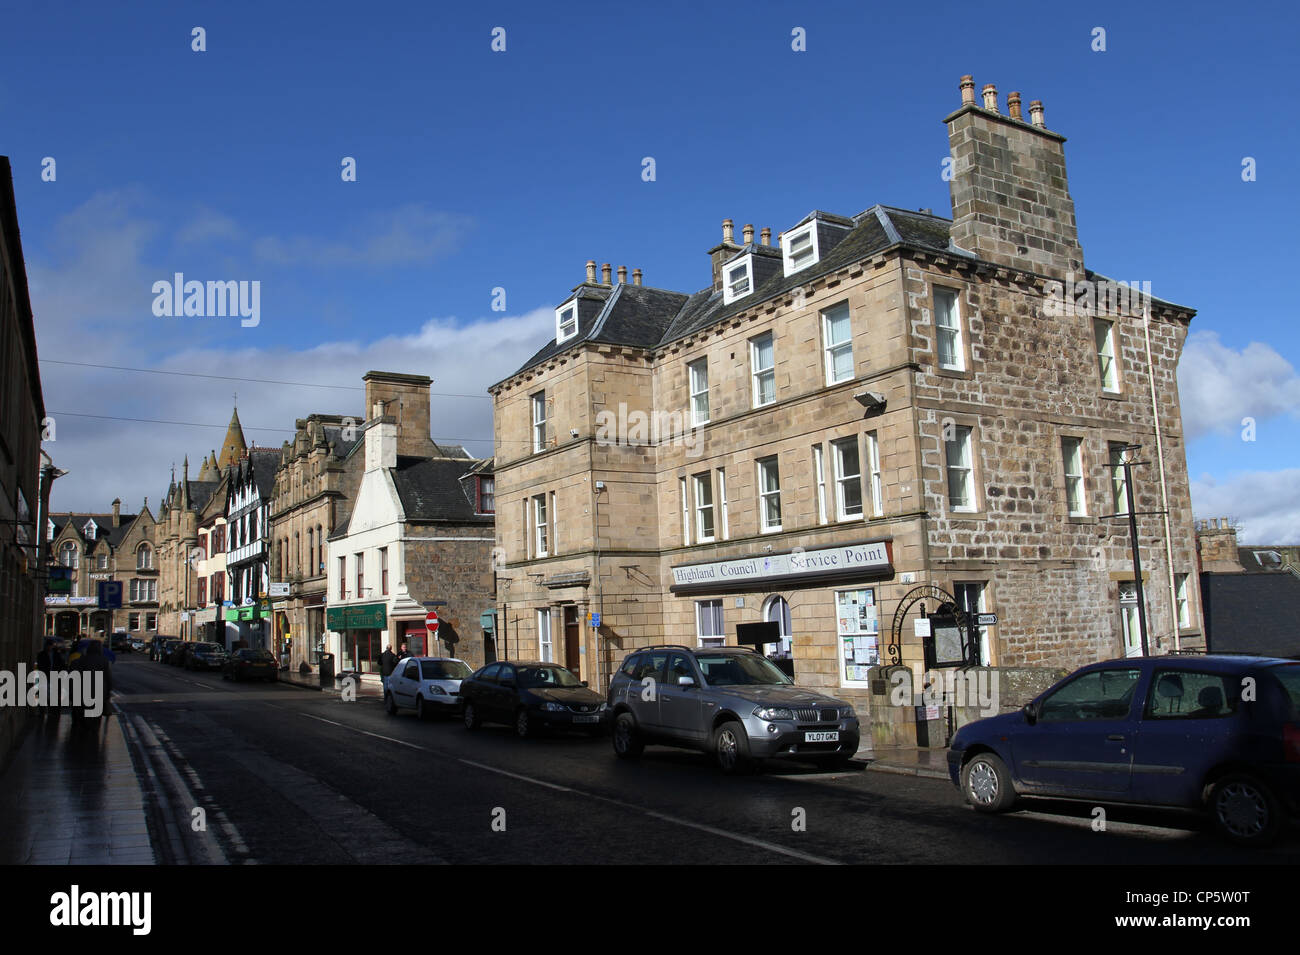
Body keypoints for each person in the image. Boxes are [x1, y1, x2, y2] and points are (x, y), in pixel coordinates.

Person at [70, 639, 113, 726]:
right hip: (99, 692)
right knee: (96, 717)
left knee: (84, 715)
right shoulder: (104, 661)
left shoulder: (82, 660)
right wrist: (108, 692)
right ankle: (94, 732)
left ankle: (85, 731)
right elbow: (108, 678)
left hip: (84, 691)